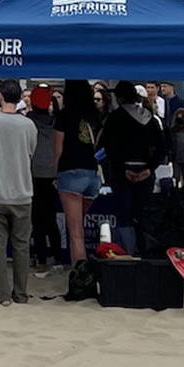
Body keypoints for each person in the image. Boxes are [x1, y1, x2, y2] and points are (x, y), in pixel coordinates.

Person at [0, 80, 36, 307]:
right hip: (21, 191)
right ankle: (21, 293)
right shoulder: (28, 125)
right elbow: (31, 150)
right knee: (21, 246)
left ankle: (3, 295)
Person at [98, 81, 166, 235]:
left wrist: (123, 169)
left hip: (122, 173)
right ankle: (144, 248)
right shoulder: (150, 118)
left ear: (120, 98)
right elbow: (162, 147)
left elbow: (109, 147)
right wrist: (149, 169)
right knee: (144, 214)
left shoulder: (115, 117)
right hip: (146, 172)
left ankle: (127, 249)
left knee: (124, 215)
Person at [53, 79, 104, 268]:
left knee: (75, 232)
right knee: (80, 225)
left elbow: (58, 149)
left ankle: (79, 272)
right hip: (92, 172)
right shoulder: (95, 115)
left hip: (70, 171)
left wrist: (53, 174)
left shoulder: (64, 115)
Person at [26, 86, 60, 276]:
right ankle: (56, 257)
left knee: (36, 220)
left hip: (33, 173)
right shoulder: (55, 120)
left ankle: (40, 260)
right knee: (51, 217)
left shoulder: (29, 120)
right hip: (52, 174)